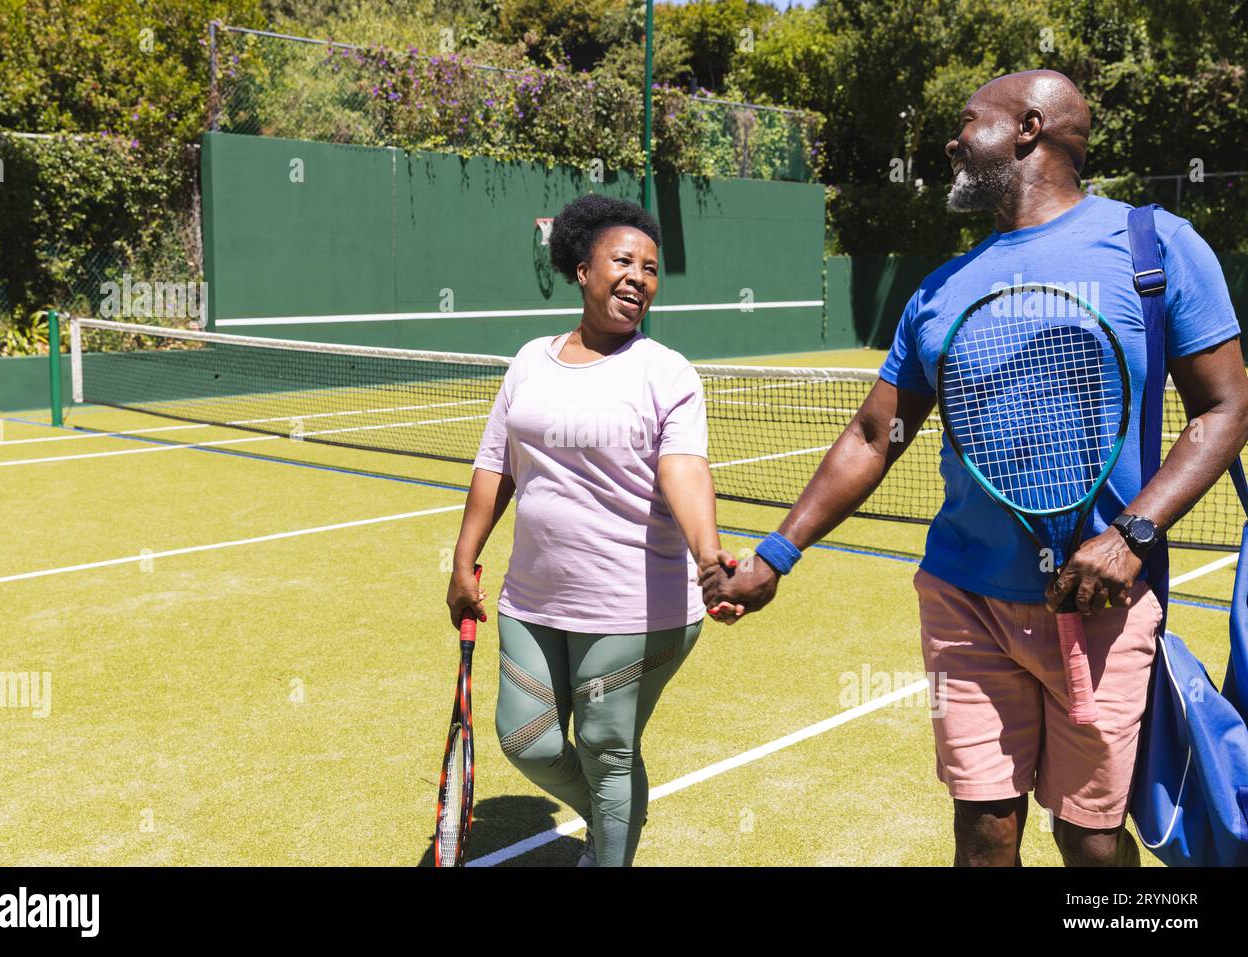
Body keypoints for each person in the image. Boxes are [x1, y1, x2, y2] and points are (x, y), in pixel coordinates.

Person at [701, 70, 1248, 866]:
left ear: (1028, 127)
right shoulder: (939, 290)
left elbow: (1224, 409)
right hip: (965, 600)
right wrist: (775, 555)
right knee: (984, 832)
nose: (952, 142)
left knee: (1091, 839)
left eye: (967, 123)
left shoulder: (1153, 244)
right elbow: (871, 435)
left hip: (1104, 601)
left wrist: (1132, 532)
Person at [446, 194, 739, 866]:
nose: (639, 276)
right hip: (534, 598)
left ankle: (609, 846)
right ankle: (617, 815)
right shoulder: (529, 361)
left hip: (634, 606)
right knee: (527, 738)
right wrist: (464, 561)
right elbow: (496, 465)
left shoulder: (665, 371)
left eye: (651, 268)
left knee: (608, 745)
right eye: (623, 260)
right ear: (582, 269)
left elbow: (685, 471)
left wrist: (708, 556)